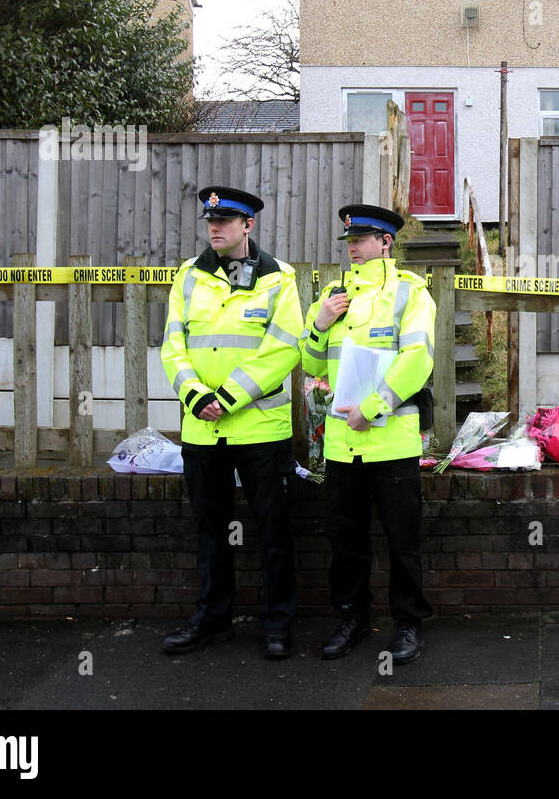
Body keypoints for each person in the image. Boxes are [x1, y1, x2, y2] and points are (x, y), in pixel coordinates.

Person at [159, 186, 305, 659]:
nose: (215, 228)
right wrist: (195, 395)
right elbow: (172, 346)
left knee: (274, 531)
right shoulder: (187, 277)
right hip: (203, 429)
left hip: (260, 431)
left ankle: (278, 624)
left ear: (249, 226)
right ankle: (213, 618)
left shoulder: (279, 279)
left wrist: (228, 396)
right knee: (210, 530)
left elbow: (283, 348)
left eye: (225, 221)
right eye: (210, 221)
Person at [302, 204, 436, 665]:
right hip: (342, 444)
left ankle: (408, 626)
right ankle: (352, 618)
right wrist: (318, 326)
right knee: (346, 542)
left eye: (361, 239)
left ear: (385, 242)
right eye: (349, 241)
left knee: (403, 541)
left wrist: (374, 406)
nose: (353, 248)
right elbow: (314, 366)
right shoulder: (334, 296)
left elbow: (417, 360)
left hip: (392, 440)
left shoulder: (410, 293)